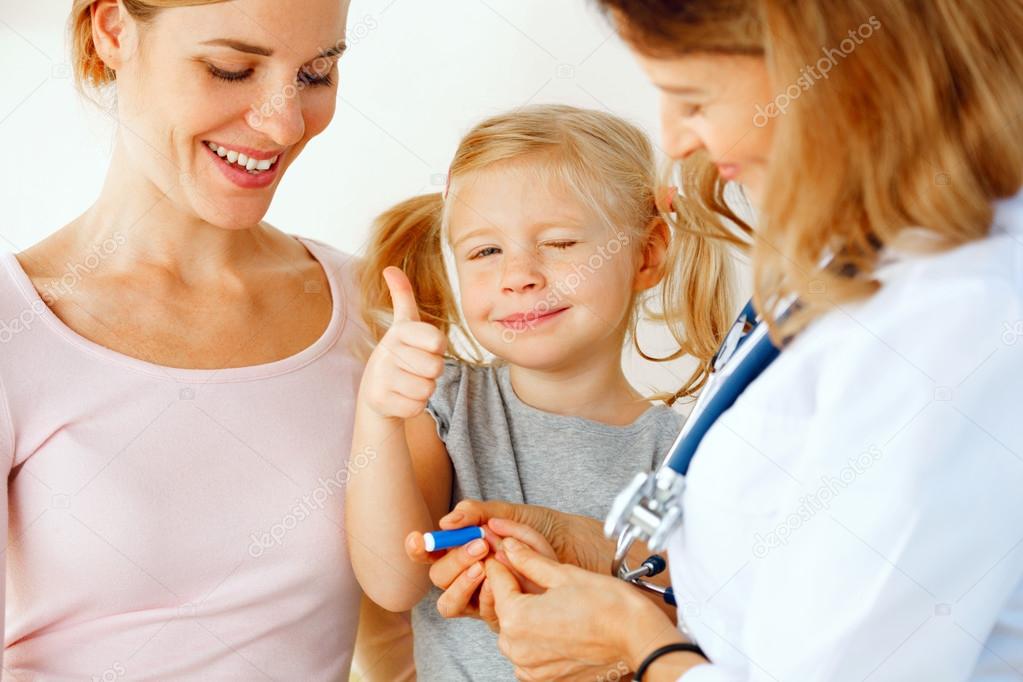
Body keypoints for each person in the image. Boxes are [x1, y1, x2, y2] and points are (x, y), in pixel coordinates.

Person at [455, 1, 1023, 680]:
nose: (675, 138)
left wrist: (637, 649)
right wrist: (614, 559)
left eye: (691, 101)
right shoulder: (860, 254)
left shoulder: (958, 316)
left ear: (837, 74)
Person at [0, 1, 373, 677]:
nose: (283, 121)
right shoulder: (15, 327)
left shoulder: (374, 312)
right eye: (231, 69)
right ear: (112, 29)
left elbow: (404, 636)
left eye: (315, 74)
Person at [344, 104, 740, 680]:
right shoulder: (444, 406)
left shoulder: (686, 451)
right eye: (485, 252)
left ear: (647, 254)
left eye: (558, 243)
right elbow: (391, 581)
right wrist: (377, 413)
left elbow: (703, 628)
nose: (518, 275)